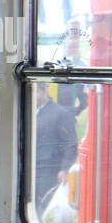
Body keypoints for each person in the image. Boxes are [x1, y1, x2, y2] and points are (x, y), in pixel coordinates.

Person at [34, 85, 79, 216]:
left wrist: (65, 169)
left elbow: (71, 143)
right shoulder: (26, 111)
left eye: (36, 91)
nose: (33, 96)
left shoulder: (61, 114)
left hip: (49, 170)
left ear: (45, 91)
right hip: (30, 168)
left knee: (47, 209)